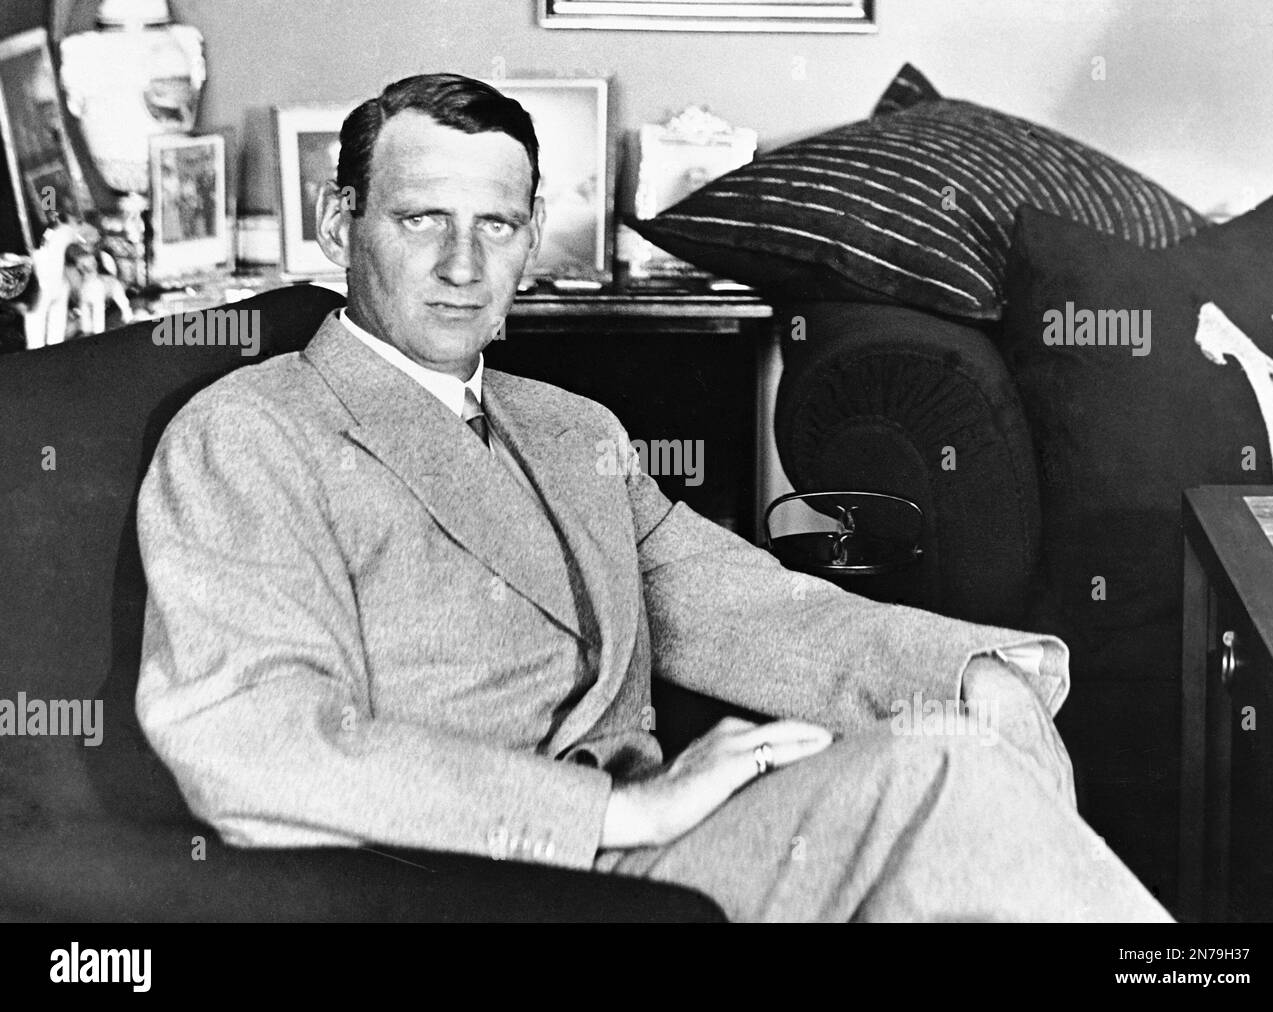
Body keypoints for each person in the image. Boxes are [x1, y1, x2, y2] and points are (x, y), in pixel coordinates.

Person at [135, 73, 1170, 922]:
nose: (461, 265)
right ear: (336, 222)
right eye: (420, 221)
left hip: (649, 862)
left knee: (970, 741)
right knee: (947, 783)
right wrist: (617, 812)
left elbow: (738, 605)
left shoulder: (570, 428)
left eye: (495, 226)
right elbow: (257, 742)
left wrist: (968, 666)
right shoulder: (250, 433)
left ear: (532, 239)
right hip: (473, 882)